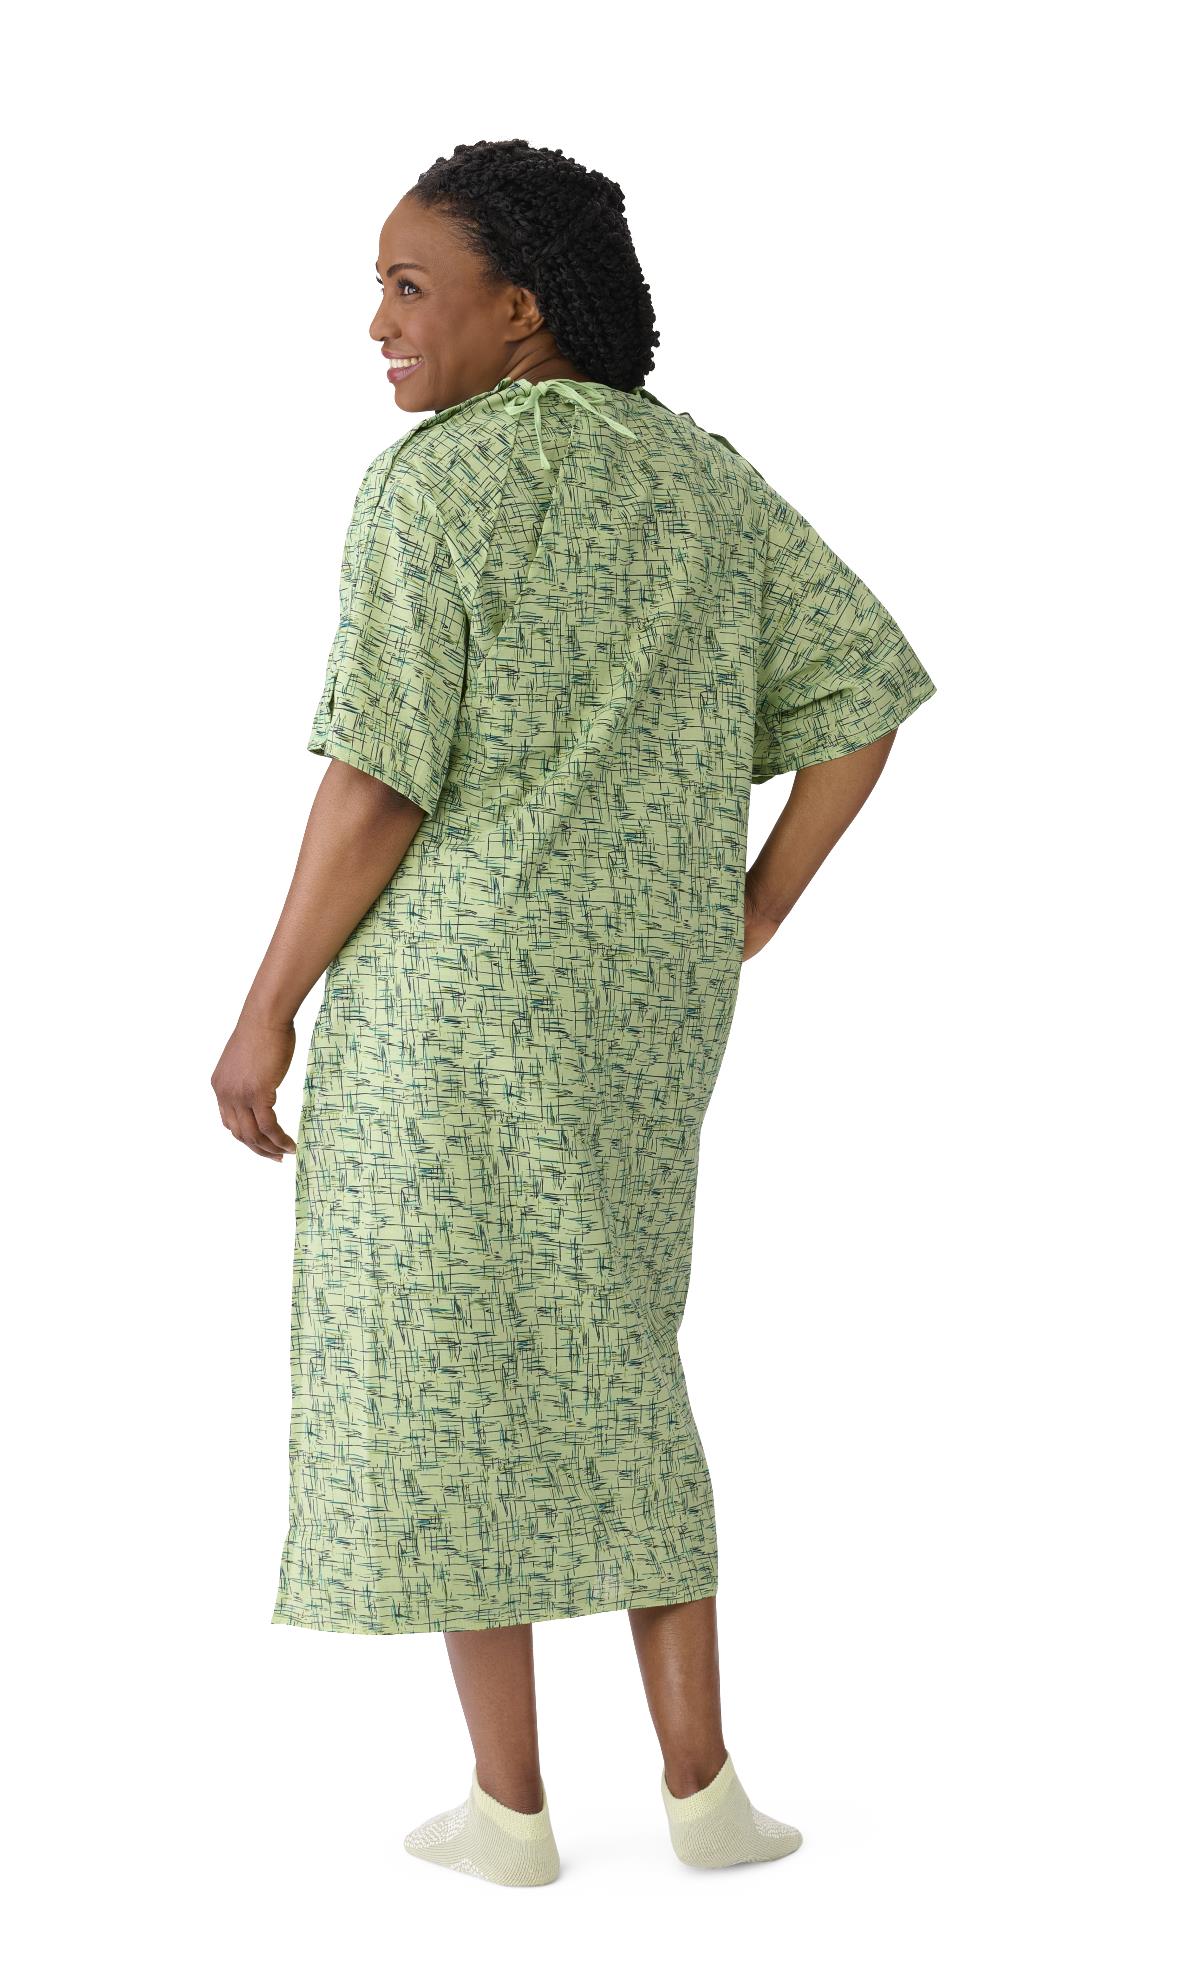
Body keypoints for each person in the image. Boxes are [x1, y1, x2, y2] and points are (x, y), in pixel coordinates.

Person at [211, 137, 937, 1887]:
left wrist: (266, 1007)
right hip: (640, 1008)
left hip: (450, 1007)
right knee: (616, 1350)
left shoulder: (436, 489)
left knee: (460, 1371)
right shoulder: (701, 481)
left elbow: (377, 784)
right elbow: (864, 698)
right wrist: (751, 906)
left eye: (409, 286)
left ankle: (511, 1812)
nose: (377, 323)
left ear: (521, 308)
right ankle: (704, 1790)